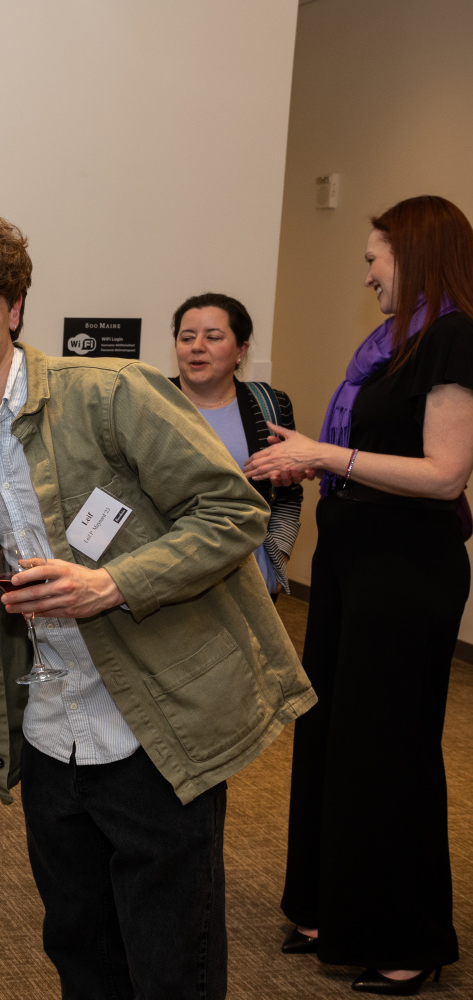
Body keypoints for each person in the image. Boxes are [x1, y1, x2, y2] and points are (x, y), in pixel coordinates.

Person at [0, 211, 315, 999]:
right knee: (80, 954)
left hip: (152, 725)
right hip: (50, 735)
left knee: (170, 961)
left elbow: (235, 513)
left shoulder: (110, 393)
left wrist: (113, 583)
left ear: (15, 307)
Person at [245, 195, 473, 995]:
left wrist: (327, 455)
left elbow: (445, 474)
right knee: (333, 736)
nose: (368, 272)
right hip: (355, 557)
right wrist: (315, 461)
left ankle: (409, 942)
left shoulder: (451, 337)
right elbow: (381, 454)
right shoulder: (391, 345)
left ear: (413, 253)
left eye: (375, 256)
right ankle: (331, 913)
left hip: (405, 573)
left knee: (386, 750)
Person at [170, 292, 301, 597]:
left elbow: (287, 494)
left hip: (251, 585)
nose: (197, 346)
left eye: (213, 337)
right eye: (186, 337)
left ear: (241, 350)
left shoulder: (270, 405)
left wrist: (277, 556)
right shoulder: (147, 403)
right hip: (172, 588)